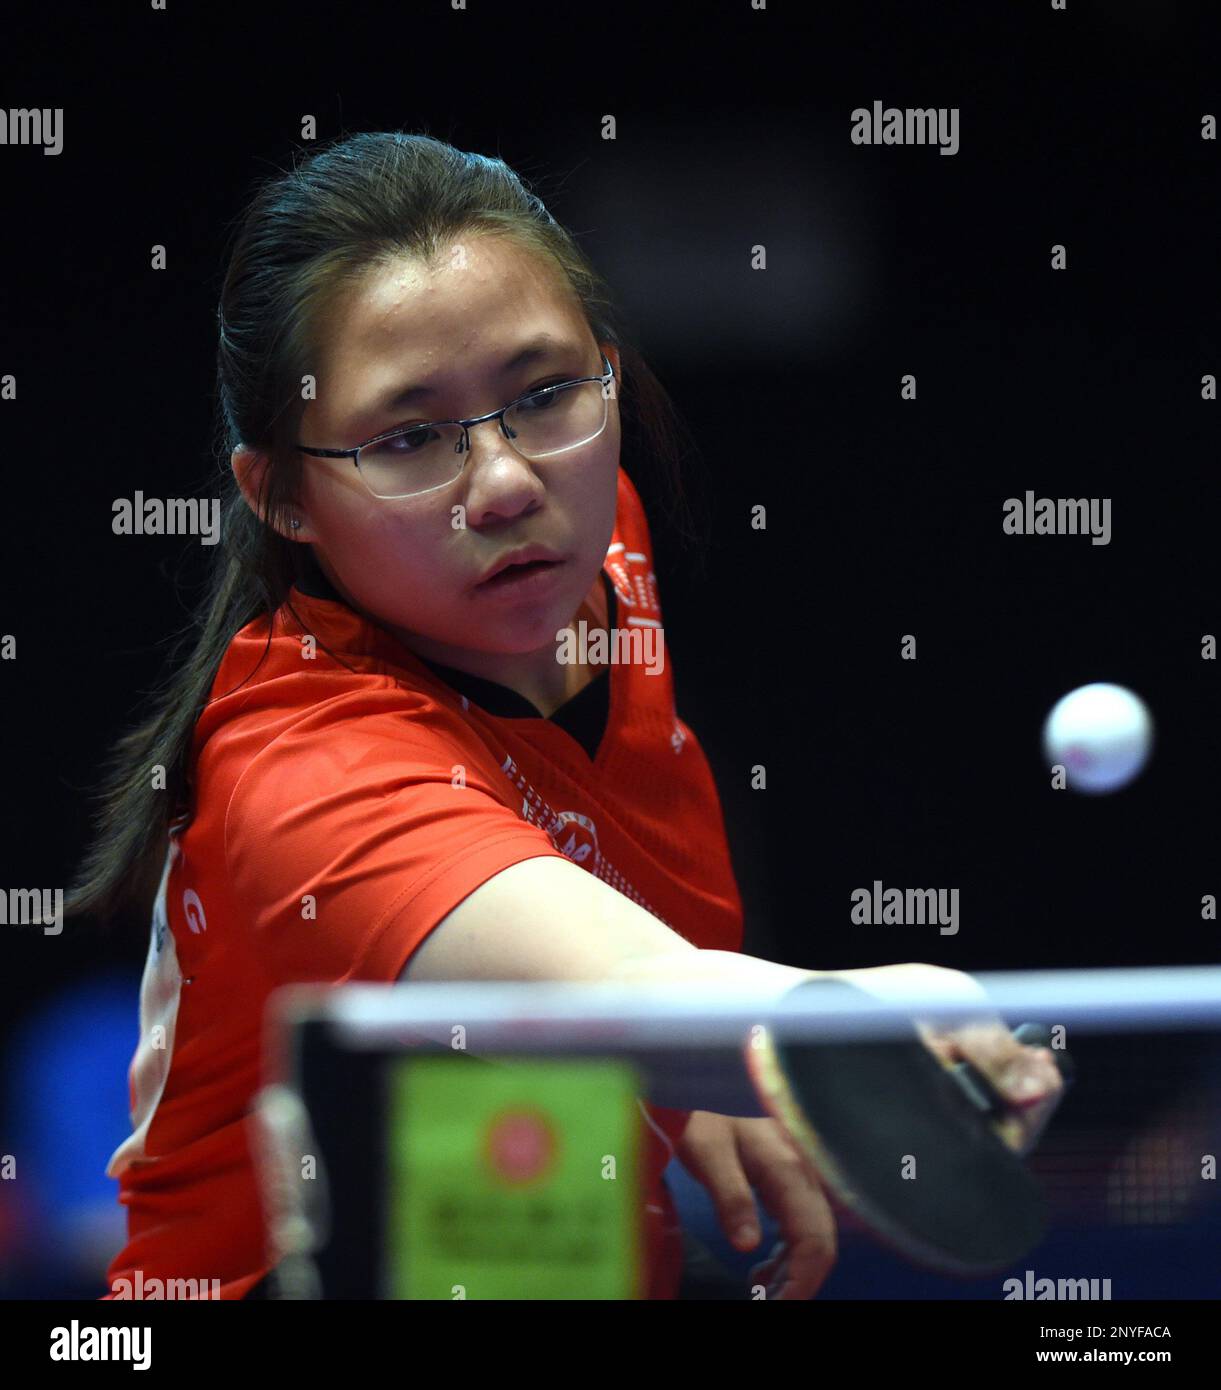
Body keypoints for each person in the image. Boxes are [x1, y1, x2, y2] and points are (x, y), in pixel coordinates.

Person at [65, 131, 1062, 1303]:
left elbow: (629, 969)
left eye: (541, 394)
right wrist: (872, 1019)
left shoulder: (587, 546)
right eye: (407, 438)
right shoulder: (306, 772)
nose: (501, 481)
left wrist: (685, 1080)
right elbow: (629, 998)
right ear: (279, 493)